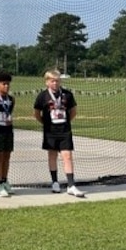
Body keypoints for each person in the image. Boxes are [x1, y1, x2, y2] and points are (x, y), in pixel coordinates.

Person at [33, 69, 85, 197]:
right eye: (52, 81)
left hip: (64, 131)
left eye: (57, 81)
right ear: (47, 82)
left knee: (67, 156)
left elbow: (73, 111)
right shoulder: (42, 96)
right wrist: (45, 123)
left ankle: (71, 185)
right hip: (50, 131)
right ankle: (55, 182)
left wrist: (66, 122)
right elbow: (37, 113)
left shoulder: (67, 94)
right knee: (52, 155)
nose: (55, 83)